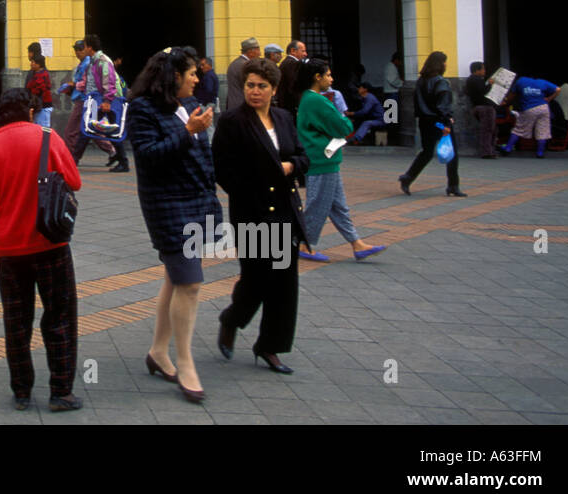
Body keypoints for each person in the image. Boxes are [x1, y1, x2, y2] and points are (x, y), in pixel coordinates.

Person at [0, 89, 83, 412]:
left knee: (16, 321)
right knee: (60, 317)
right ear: (29, 111)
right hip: (50, 244)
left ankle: (22, 391)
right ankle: (61, 392)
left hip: (8, 250)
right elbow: (74, 179)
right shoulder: (48, 137)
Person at [127, 48, 220, 403]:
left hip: (195, 199)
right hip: (166, 203)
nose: (197, 79)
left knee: (176, 277)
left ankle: (158, 351)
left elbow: (202, 153)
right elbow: (148, 157)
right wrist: (188, 131)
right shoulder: (141, 108)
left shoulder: (190, 103)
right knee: (191, 283)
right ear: (172, 76)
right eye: (191, 73)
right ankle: (185, 361)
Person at [212, 58, 311, 375]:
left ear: (274, 89)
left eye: (261, 86)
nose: (255, 91)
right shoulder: (232, 121)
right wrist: (248, 184)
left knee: (283, 281)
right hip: (251, 211)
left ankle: (270, 345)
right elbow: (222, 168)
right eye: (250, 85)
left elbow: (302, 154)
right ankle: (232, 319)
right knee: (256, 278)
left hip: (283, 209)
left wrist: (291, 165)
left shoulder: (283, 118)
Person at [294, 59, 386, 262]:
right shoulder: (317, 100)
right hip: (323, 159)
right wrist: (343, 119)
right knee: (318, 204)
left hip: (324, 158)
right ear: (317, 78)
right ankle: (304, 244)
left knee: (338, 206)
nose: (331, 78)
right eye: (328, 75)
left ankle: (357, 244)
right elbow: (343, 126)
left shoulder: (309, 99)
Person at [399, 51, 465, 197]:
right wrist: (446, 123)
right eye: (445, 61)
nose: (446, 64)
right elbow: (443, 105)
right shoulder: (440, 82)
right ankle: (453, 185)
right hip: (439, 123)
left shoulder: (421, 81)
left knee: (427, 152)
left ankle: (408, 177)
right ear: (440, 64)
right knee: (452, 152)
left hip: (425, 121)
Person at [78, 34, 128, 172]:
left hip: (107, 101)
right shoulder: (95, 61)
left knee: (93, 129)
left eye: (84, 45)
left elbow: (109, 81)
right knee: (106, 131)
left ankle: (73, 160)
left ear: (89, 47)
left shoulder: (103, 61)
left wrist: (107, 101)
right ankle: (123, 161)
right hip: (100, 100)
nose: (83, 48)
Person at [60, 39, 115, 163]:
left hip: (86, 100)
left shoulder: (96, 62)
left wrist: (74, 85)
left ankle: (72, 158)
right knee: (91, 130)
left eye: (80, 49)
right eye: (76, 50)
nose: (78, 53)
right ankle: (114, 152)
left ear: (88, 48)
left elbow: (103, 81)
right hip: (87, 99)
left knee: (72, 131)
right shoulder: (89, 62)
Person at [498, 74, 560, 158]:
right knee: (542, 131)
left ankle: (507, 148)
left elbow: (511, 96)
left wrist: (505, 103)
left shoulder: (520, 81)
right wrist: (549, 99)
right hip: (544, 108)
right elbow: (558, 89)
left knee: (519, 129)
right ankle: (540, 153)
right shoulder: (542, 82)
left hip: (529, 108)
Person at [465, 62, 498, 159]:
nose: (484, 71)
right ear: (477, 70)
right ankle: (487, 152)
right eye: (483, 69)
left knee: (489, 129)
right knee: (487, 130)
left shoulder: (470, 80)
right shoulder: (477, 80)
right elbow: (483, 91)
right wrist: (490, 85)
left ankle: (490, 150)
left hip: (477, 107)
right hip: (484, 107)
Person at [224, 37, 260, 113]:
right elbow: (249, 87)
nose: (260, 54)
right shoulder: (245, 65)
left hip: (234, 105)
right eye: (258, 50)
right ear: (250, 52)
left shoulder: (236, 63)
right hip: (241, 107)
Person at [277, 40, 307, 114]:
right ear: (293, 51)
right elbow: (294, 86)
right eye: (303, 51)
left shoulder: (287, 63)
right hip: (290, 107)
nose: (305, 54)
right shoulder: (292, 63)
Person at [26, 52, 53, 127]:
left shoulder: (42, 75)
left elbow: (37, 90)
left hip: (43, 107)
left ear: (38, 64)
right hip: (39, 107)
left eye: (32, 62)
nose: (31, 64)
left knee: (43, 129)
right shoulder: (36, 74)